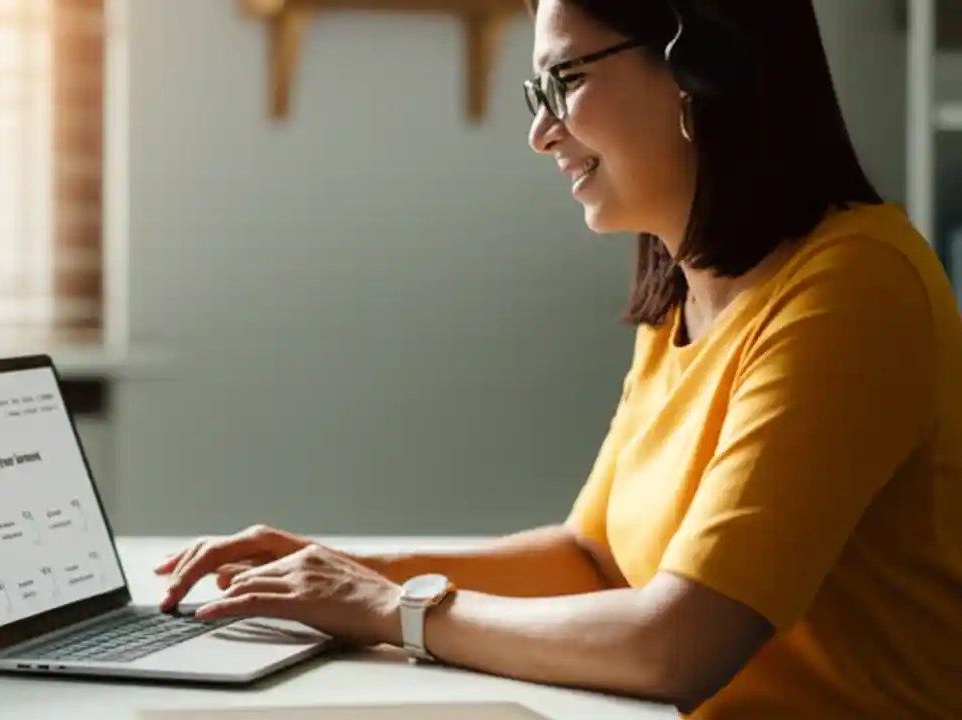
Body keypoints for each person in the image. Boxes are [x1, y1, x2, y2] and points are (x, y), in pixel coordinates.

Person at [155, 0, 962, 716]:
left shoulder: (857, 287)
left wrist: (389, 607)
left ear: (699, 63)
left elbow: (679, 645)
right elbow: (593, 560)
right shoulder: (691, 287)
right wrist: (330, 574)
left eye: (563, 81)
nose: (541, 133)